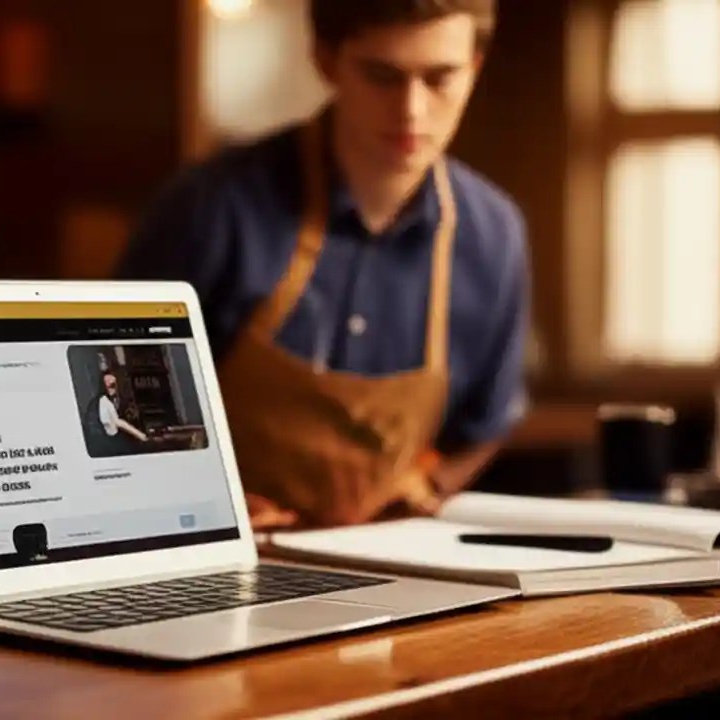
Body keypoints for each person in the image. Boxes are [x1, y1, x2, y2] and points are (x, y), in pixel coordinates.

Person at [117, 0, 529, 528]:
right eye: (382, 75)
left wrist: (424, 489)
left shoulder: (493, 234)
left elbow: (485, 425)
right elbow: (118, 404)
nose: (411, 111)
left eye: (439, 78)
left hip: (392, 559)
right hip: (214, 554)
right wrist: (202, 504)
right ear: (326, 60)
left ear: (475, 66)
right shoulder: (212, 207)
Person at [84, 371, 149, 455]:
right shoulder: (104, 401)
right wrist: (140, 435)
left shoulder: (100, 401)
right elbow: (118, 422)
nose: (111, 388)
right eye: (109, 385)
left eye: (113, 385)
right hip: (108, 443)